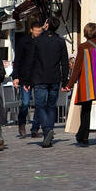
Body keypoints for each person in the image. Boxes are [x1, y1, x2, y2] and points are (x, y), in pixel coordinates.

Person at [21, 17, 69, 148]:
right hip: (54, 78)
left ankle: (47, 130)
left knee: (41, 106)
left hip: (39, 78)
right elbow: (65, 63)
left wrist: (26, 80)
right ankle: (49, 130)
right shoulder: (60, 41)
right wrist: (65, 81)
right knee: (51, 106)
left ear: (46, 25)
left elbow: (30, 61)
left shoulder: (37, 41)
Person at [11, 21, 35, 138]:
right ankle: (21, 123)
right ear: (31, 30)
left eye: (39, 30)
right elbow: (18, 60)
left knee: (40, 104)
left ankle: (35, 127)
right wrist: (15, 77)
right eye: (36, 30)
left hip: (37, 77)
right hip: (25, 77)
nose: (38, 32)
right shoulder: (23, 41)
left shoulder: (40, 41)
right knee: (25, 103)